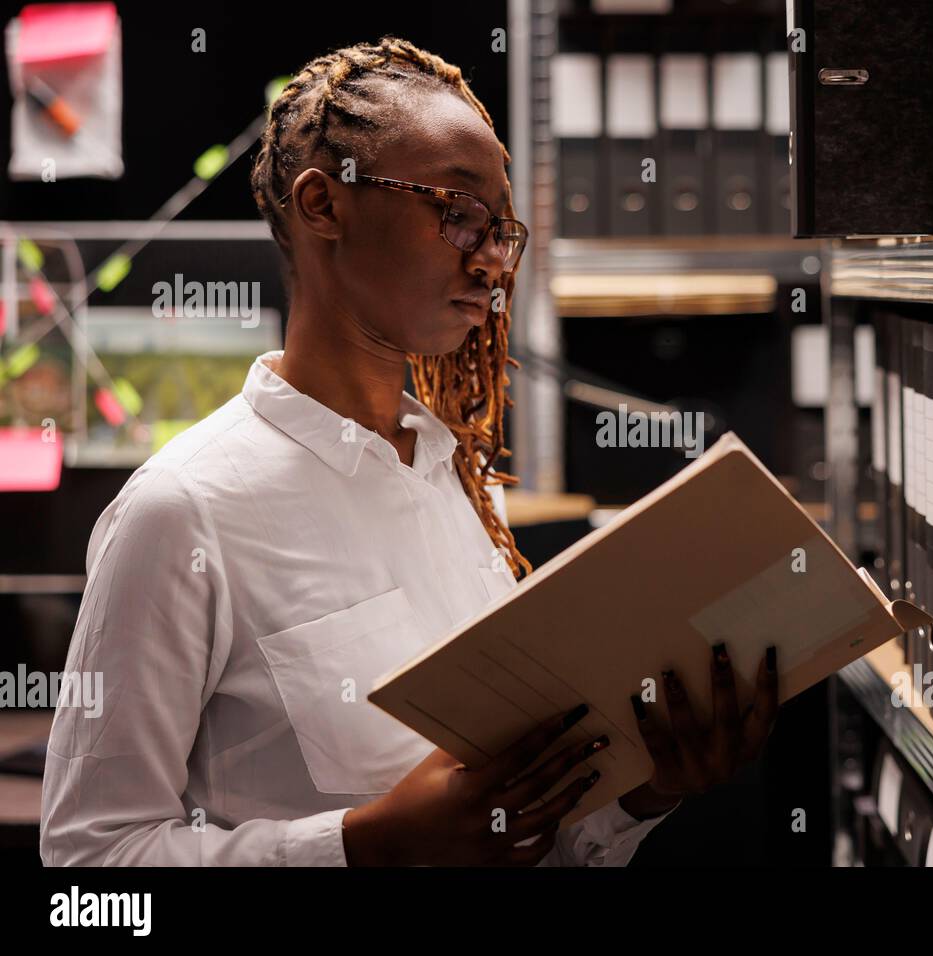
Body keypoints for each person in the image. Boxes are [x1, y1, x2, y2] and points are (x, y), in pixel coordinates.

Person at [40, 37, 780, 867]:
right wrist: (363, 844)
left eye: (503, 229)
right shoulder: (182, 512)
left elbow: (536, 837)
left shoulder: (456, 485)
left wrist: (647, 792)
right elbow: (89, 868)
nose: (494, 259)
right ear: (323, 206)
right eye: (459, 213)